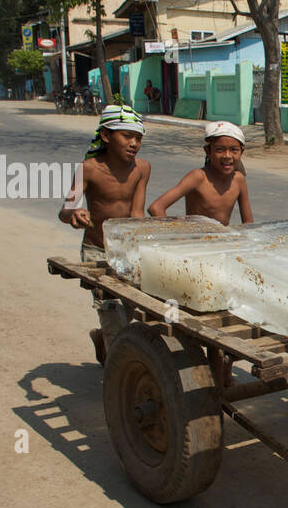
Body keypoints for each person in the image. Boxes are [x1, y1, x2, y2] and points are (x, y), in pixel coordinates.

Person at [58, 104, 152, 363]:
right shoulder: (88, 168)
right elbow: (66, 209)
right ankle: (118, 375)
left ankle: (103, 340)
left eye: (139, 138)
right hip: (97, 250)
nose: (134, 143)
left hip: (128, 250)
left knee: (133, 310)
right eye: (127, 136)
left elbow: (137, 213)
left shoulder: (142, 168)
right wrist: (74, 214)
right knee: (112, 314)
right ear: (107, 136)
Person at [147, 121, 252, 224]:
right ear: (208, 151)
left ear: (241, 152)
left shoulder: (239, 179)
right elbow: (156, 208)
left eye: (234, 150)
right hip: (197, 240)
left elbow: (248, 223)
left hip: (222, 240)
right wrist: (173, 234)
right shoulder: (198, 177)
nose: (227, 156)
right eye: (220, 150)